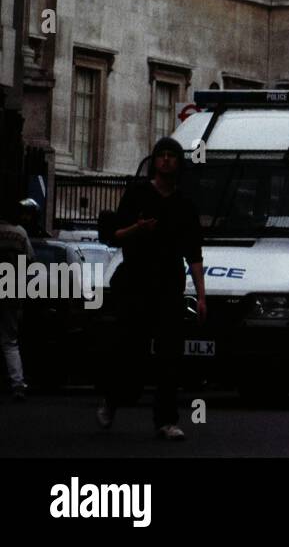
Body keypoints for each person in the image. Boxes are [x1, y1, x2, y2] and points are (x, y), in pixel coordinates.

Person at [97, 137, 205, 440]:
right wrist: (138, 228)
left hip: (169, 286)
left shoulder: (185, 204)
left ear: (179, 163)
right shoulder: (137, 194)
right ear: (154, 161)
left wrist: (201, 296)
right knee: (132, 353)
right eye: (162, 155)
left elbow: (194, 253)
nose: (167, 160)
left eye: (172, 155)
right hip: (136, 284)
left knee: (170, 356)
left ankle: (166, 420)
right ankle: (112, 397)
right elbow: (114, 235)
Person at [0, 190, 36, 401]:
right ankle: (17, 383)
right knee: (10, 340)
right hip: (11, 289)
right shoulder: (20, 233)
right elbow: (29, 261)